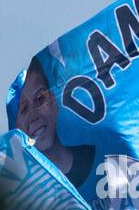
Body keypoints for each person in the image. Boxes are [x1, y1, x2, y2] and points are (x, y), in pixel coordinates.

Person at [14, 57, 96, 190]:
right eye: (23, 109)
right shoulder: (29, 197)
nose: (34, 116)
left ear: (53, 100)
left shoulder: (101, 157)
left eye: (40, 99)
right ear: (16, 126)